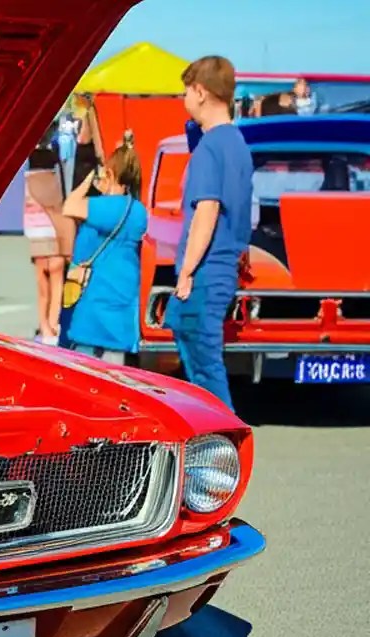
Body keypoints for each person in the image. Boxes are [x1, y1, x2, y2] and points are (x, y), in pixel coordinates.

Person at [165, 56, 254, 411]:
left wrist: (186, 272)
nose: (185, 99)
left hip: (205, 270)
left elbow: (207, 210)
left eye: (187, 91)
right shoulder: (238, 144)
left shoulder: (210, 147)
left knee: (204, 368)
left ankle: (221, 445)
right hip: (224, 267)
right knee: (198, 353)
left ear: (200, 92)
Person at [59, 142, 148, 364]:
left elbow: (69, 206)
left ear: (109, 172)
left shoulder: (104, 208)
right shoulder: (137, 211)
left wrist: (89, 179)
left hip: (95, 315)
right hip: (121, 312)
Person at [25, 121, 75, 344]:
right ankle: (50, 325)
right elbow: (56, 191)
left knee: (44, 276)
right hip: (46, 218)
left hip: (35, 219)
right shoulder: (51, 159)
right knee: (53, 274)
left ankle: (47, 325)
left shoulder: (33, 159)